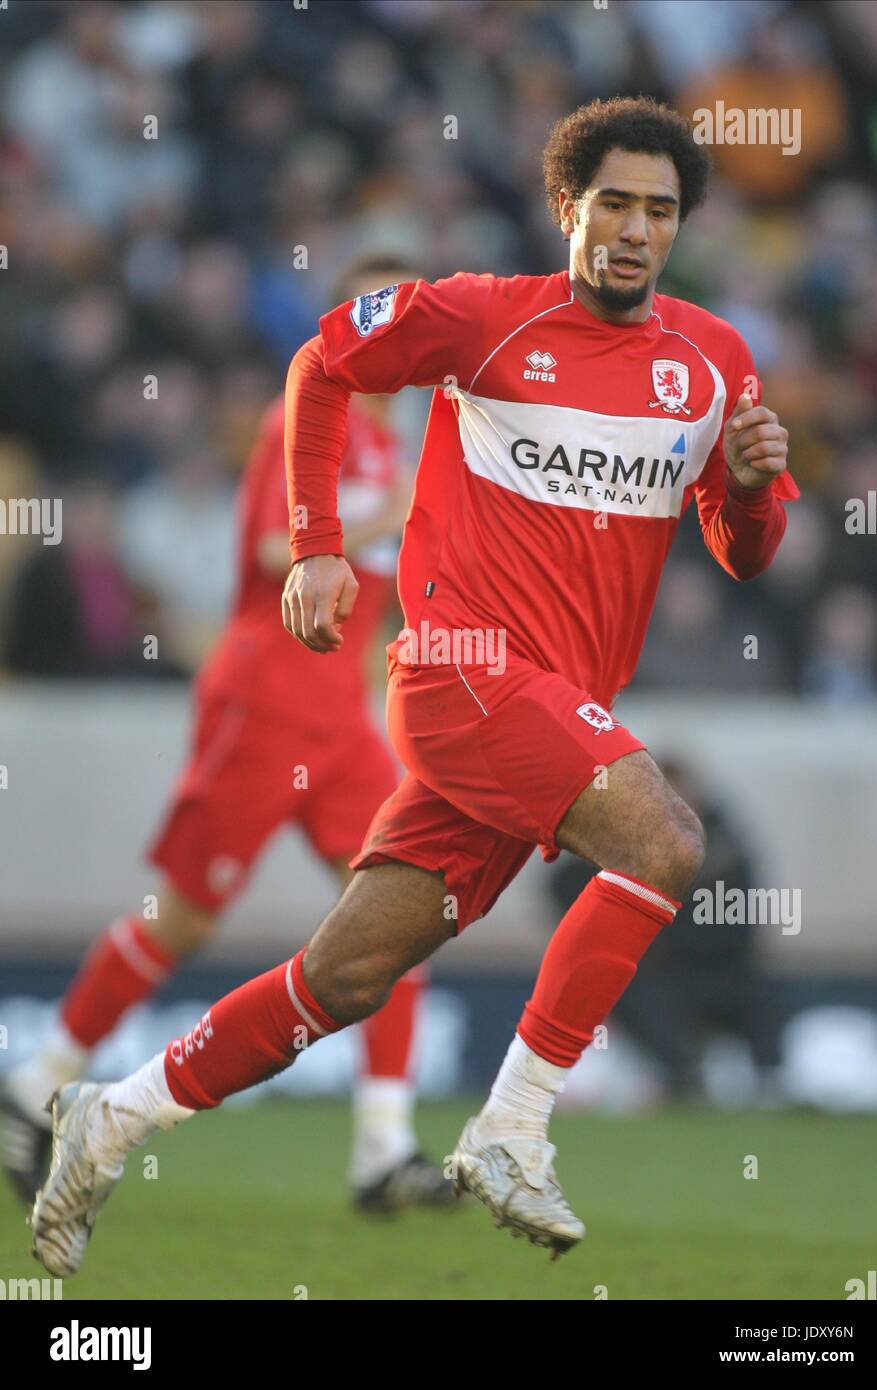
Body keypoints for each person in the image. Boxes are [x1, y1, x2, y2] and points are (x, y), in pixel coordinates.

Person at [29, 96, 798, 1277]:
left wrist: (748, 488)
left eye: (659, 209)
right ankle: (513, 1124)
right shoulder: (484, 319)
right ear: (566, 209)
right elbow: (323, 360)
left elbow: (747, 550)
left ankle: (111, 1115)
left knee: (340, 977)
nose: (636, 230)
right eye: (614, 204)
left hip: (542, 715)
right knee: (665, 840)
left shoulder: (712, 362)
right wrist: (320, 538)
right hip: (461, 673)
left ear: (680, 224)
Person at [7, 257, 453, 1216]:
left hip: (338, 717)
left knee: (401, 914)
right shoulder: (307, 419)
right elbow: (266, 552)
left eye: (405, 325)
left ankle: (383, 1148)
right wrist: (398, 508)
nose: (392, 343)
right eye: (373, 319)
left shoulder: (390, 445)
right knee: (186, 917)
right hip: (264, 699)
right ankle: (32, 1083)